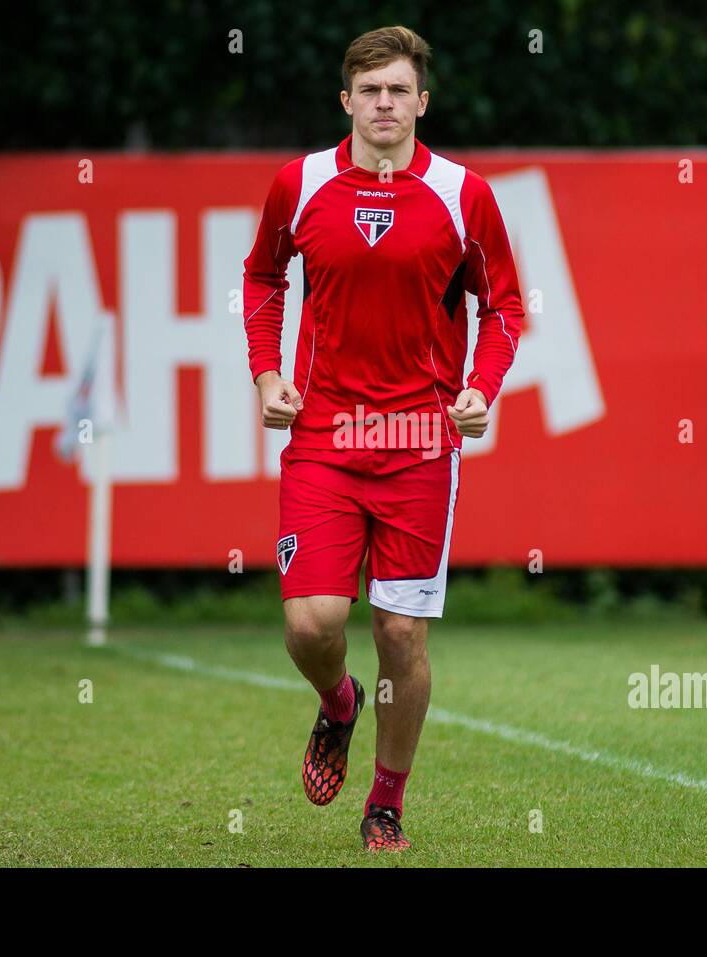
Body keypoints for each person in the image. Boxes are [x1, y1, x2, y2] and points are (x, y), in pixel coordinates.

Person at [241, 25, 523, 851]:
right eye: (371, 91)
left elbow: (503, 305)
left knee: (401, 633)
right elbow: (262, 279)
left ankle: (386, 801)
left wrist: (479, 387)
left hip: (421, 445)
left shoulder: (462, 194)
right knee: (311, 624)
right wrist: (266, 375)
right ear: (347, 102)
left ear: (421, 101)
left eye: (399, 90)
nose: (385, 104)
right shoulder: (299, 185)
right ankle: (338, 702)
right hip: (325, 437)